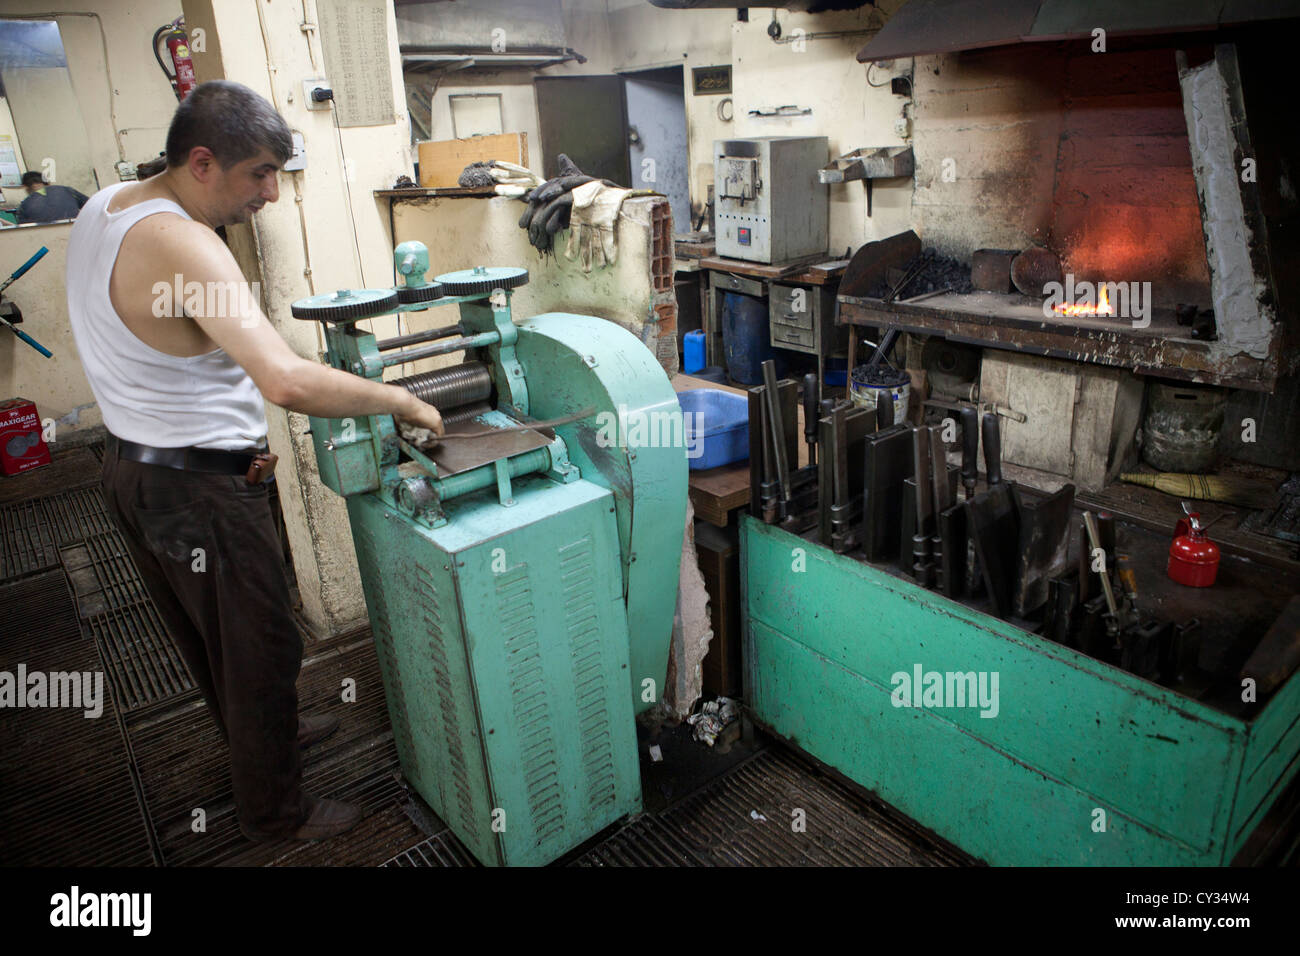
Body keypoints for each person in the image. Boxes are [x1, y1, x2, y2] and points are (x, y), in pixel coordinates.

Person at [65, 80, 444, 843]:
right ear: (202, 162)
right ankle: (277, 814)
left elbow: (237, 351)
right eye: (260, 174)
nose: (271, 193)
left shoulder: (107, 207)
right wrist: (401, 401)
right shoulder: (188, 247)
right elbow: (286, 380)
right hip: (199, 490)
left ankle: (265, 740)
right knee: (262, 642)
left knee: (216, 640)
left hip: (137, 470)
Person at [16, 171, 88, 224]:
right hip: (77, 231)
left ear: (25, 187)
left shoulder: (24, 205)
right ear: (48, 183)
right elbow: (91, 205)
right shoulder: (68, 190)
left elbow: (23, 229)